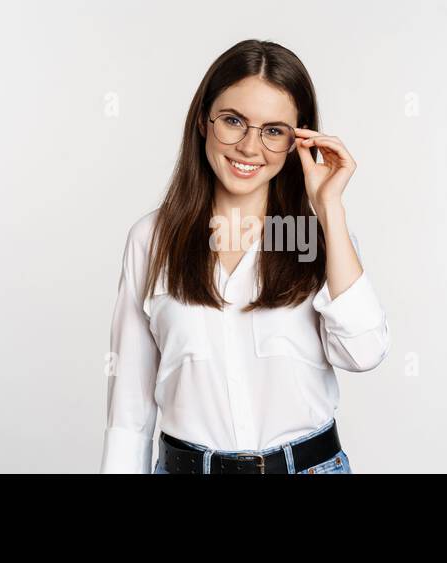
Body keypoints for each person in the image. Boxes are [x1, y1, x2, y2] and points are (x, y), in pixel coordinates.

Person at [101, 39, 390, 474]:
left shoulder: (317, 234)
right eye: (234, 121)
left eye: (274, 131)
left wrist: (329, 208)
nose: (250, 148)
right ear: (203, 121)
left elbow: (364, 352)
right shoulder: (151, 239)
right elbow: (129, 410)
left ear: (299, 141)